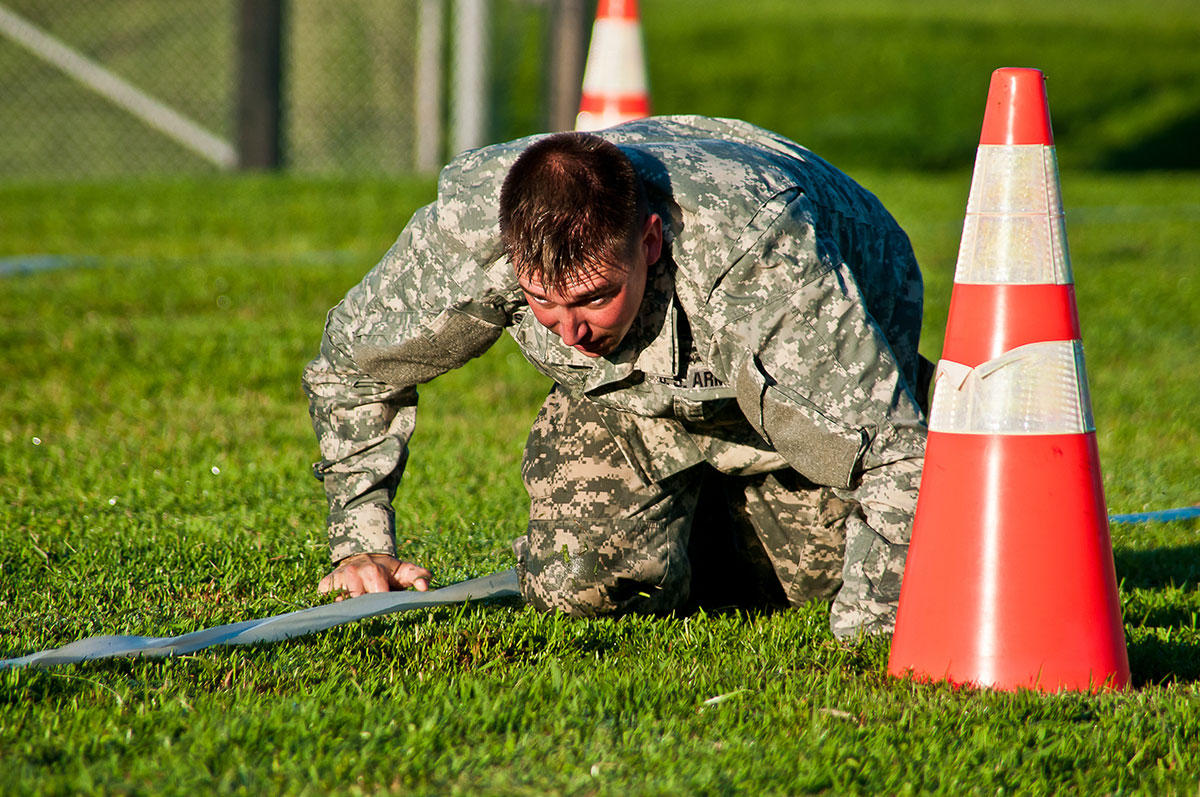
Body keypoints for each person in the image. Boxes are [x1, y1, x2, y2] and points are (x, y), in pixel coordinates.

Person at [302, 115, 928, 639]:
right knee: (577, 584)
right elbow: (349, 368)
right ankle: (690, 517)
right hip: (628, 407)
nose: (571, 332)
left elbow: (897, 454)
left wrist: (869, 640)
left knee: (806, 585)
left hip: (792, 401)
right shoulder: (472, 234)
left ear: (650, 243)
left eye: (596, 297)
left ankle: (906, 419)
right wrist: (361, 543)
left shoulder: (757, 255)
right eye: (543, 301)